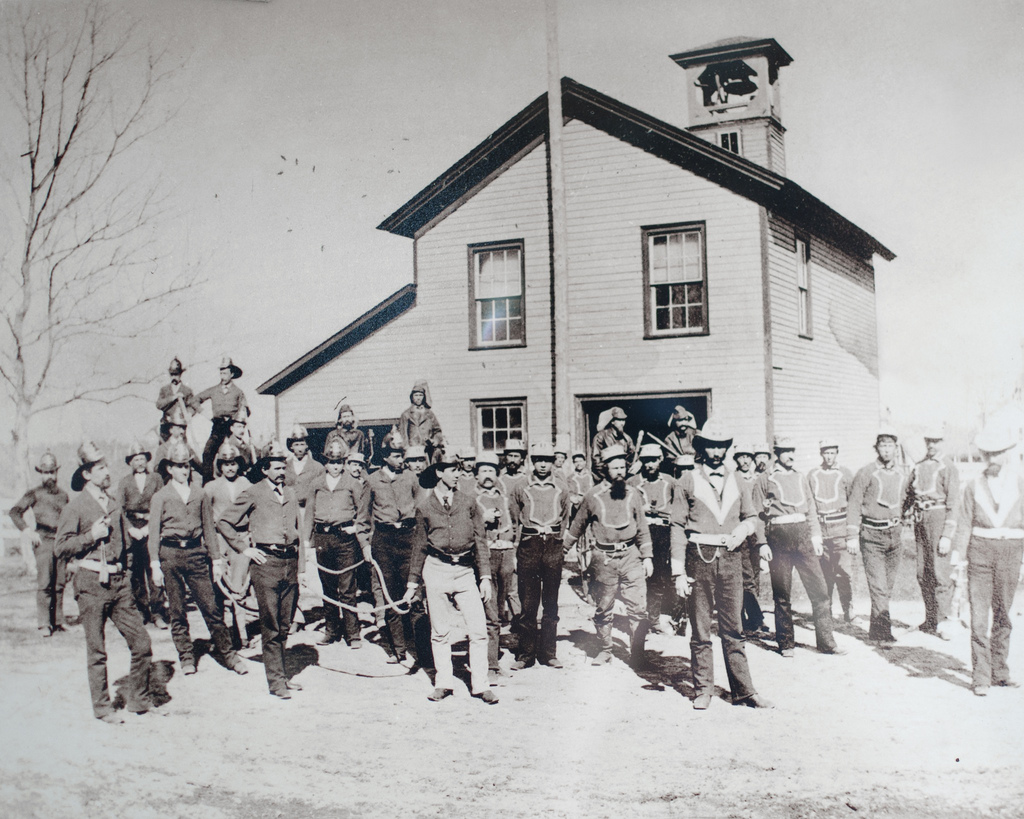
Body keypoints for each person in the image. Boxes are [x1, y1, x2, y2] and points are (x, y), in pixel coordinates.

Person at [669, 420, 773, 710]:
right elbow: (677, 526)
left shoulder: (739, 480)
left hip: (731, 558)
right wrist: (678, 571)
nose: (716, 451)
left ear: (727, 449)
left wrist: (744, 530)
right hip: (698, 558)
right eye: (710, 445)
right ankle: (703, 689)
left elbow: (751, 516)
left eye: (721, 446)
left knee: (734, 627)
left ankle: (744, 691)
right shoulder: (687, 480)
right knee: (701, 628)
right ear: (701, 447)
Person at [55, 443, 154, 723]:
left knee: (142, 642)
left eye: (106, 466)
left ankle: (138, 700)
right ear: (87, 474)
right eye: (100, 468)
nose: (107, 472)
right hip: (90, 585)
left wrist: (127, 570)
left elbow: (126, 543)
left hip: (119, 583)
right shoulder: (75, 507)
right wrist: (90, 535)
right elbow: (60, 548)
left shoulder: (113, 504)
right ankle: (101, 708)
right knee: (97, 650)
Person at [148, 442, 248, 677]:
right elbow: (153, 533)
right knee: (177, 609)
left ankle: (229, 655)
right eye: (178, 466)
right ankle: (186, 656)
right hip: (170, 555)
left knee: (211, 608)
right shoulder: (160, 497)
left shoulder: (199, 493)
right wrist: (154, 564)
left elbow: (208, 529)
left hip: (196, 554)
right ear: (169, 468)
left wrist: (215, 560)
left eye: (186, 466)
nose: (184, 470)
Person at [404, 455, 497, 704]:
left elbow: (480, 541)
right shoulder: (424, 507)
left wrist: (485, 577)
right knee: (440, 632)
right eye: (451, 470)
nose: (457, 474)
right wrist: (413, 583)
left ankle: (481, 685)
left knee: (478, 631)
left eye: (458, 469)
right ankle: (443, 683)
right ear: (438, 473)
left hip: (466, 571)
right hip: (436, 570)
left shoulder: (469, 503)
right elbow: (419, 547)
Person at [218, 440, 305, 699]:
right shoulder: (254, 492)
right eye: (276, 468)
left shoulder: (289, 493)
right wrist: (244, 548)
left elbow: (299, 534)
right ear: (265, 469)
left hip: (290, 563)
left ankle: (283, 677)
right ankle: (276, 682)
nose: (281, 472)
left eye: (283, 467)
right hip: (265, 564)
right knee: (271, 624)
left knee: (286, 623)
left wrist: (301, 568)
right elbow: (224, 521)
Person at [752, 436, 843, 657]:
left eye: (792, 450)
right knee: (782, 593)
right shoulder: (765, 479)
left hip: (803, 536)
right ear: (777, 453)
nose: (790, 455)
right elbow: (756, 515)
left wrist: (816, 537)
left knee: (820, 590)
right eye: (785, 451)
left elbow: (810, 508)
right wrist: (762, 543)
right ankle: (786, 644)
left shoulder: (801, 477)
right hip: (778, 537)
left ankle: (827, 642)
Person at [951, 423, 1024, 696]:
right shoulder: (972, 486)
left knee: (1004, 614)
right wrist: (958, 558)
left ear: (1006, 454)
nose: (991, 459)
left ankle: (1000, 671)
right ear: (982, 456)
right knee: (979, 618)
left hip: (1011, 552)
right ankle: (981, 676)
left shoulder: (1020, 484)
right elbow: (964, 523)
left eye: (997, 454)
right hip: (980, 552)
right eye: (987, 454)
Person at [564, 444, 652, 667]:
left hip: (632, 556)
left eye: (623, 467)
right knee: (604, 606)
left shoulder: (633, 495)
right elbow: (577, 526)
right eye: (615, 468)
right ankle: (605, 649)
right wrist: (563, 550)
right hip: (603, 559)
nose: (620, 472)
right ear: (605, 469)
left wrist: (648, 556)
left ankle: (638, 653)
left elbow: (642, 527)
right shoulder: (593, 496)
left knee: (638, 607)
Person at [846, 427, 913, 646]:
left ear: (896, 448)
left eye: (890, 445)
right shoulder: (866, 472)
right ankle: (884, 634)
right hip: (871, 536)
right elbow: (854, 503)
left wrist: (902, 518)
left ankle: (875, 631)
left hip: (895, 536)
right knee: (879, 587)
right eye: (882, 445)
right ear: (877, 448)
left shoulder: (904, 474)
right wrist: (852, 536)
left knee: (887, 587)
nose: (886, 450)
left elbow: (907, 500)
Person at [301, 443, 371, 648]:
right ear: (326, 462)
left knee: (347, 587)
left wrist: (356, 528)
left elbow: (364, 511)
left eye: (339, 462)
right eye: (332, 462)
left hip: (345, 540)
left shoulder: (352, 483)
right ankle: (331, 630)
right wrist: (307, 542)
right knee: (328, 586)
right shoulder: (316, 483)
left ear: (344, 463)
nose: (335, 466)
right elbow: (309, 514)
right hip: (323, 539)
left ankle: (353, 633)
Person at [508, 442, 570, 670]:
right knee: (528, 603)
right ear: (532, 462)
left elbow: (565, 518)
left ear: (553, 462)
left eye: (547, 460)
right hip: (529, 546)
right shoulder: (520, 486)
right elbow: (514, 519)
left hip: (553, 545)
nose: (543, 464)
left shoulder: (562, 487)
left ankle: (549, 653)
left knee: (551, 603)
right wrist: (517, 550)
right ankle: (526, 654)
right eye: (538, 460)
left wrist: (559, 545)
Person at [366, 432, 425, 667]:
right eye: (395, 455)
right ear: (384, 457)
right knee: (390, 594)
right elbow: (363, 517)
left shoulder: (411, 478)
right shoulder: (371, 481)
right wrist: (365, 545)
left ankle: (422, 650)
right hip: (384, 539)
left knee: (413, 594)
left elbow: (420, 510)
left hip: (408, 537)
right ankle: (397, 649)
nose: (401, 459)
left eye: (402, 455)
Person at [907, 427, 960, 640]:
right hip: (920, 520)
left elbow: (954, 502)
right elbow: (908, 495)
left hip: (939, 519)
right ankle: (930, 618)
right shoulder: (918, 467)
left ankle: (943, 620)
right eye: (929, 440)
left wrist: (947, 534)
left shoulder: (948, 467)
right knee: (922, 572)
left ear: (942, 442)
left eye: (936, 441)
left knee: (940, 572)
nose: (931, 445)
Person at [9, 452, 70, 635]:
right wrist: (27, 531)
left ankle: (58, 621)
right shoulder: (34, 493)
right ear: (41, 473)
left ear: (56, 473)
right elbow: (14, 512)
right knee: (45, 583)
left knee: (59, 583)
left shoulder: (64, 495)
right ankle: (44, 623)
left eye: (52, 472)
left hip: (60, 540)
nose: (49, 476)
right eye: (45, 472)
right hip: (42, 539)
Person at [203, 441, 254, 646]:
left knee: (239, 587)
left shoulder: (247, 484)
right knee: (220, 589)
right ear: (219, 466)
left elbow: (253, 512)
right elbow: (205, 516)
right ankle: (221, 636)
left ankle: (241, 634)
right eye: (225, 464)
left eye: (233, 463)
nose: (230, 467)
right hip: (219, 541)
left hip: (241, 539)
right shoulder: (211, 487)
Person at [473, 450, 518, 681]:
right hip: (486, 556)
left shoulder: (505, 496)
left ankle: (494, 656)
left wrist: (514, 549)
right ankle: (490, 667)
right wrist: (483, 520)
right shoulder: (470, 498)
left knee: (501, 611)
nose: (488, 475)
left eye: (491, 470)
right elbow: (464, 528)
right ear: (476, 474)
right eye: (483, 471)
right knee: (489, 613)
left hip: (506, 555)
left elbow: (516, 523)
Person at [115, 442, 167, 628]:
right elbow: (119, 509)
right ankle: (142, 611)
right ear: (130, 462)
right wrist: (130, 529)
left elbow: (161, 503)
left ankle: (158, 613)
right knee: (136, 573)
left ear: (147, 460)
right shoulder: (124, 482)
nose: (139, 462)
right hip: (133, 529)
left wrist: (150, 527)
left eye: (142, 459)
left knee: (154, 569)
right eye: (135, 459)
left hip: (151, 525)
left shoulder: (156, 478)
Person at [629, 443, 677, 635]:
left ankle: (654, 619)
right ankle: (638, 619)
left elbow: (678, 507)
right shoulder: (632, 483)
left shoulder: (670, 482)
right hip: (641, 532)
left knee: (658, 576)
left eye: (654, 460)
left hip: (663, 533)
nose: (650, 465)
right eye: (646, 460)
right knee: (638, 576)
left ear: (660, 461)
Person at [807, 438, 855, 623]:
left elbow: (853, 503)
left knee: (843, 571)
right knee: (823, 573)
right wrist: (814, 533)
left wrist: (851, 533)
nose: (829, 456)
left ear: (837, 453)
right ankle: (826, 610)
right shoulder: (813, 474)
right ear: (821, 454)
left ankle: (848, 608)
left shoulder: (845, 474)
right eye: (826, 452)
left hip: (840, 528)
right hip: (821, 528)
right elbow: (810, 503)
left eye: (832, 452)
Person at [732, 442, 766, 636]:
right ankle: (753, 618)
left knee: (754, 575)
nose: (744, 460)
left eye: (747, 457)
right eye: (740, 457)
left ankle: (750, 617)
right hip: (740, 531)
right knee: (745, 577)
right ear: (736, 459)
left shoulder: (757, 478)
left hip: (755, 532)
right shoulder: (732, 478)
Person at [197, 357, 249, 485]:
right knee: (208, 451)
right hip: (218, 426)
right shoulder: (214, 390)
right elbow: (194, 400)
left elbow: (245, 409)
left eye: (225, 373)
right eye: (221, 372)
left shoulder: (238, 392)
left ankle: (240, 480)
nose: (223, 375)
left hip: (233, 426)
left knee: (238, 453)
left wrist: (238, 418)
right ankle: (208, 484)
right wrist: (205, 413)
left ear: (231, 374)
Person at [398, 381, 444, 463]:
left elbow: (437, 431)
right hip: (413, 451)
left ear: (424, 397)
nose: (418, 398)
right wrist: (407, 450)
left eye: (420, 395)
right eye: (416, 395)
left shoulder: (429, 414)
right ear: (412, 397)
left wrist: (435, 440)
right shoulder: (406, 414)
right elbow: (403, 435)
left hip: (428, 450)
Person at [591, 407, 635, 482]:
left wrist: (624, 473)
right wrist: (608, 476)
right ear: (612, 422)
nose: (622, 423)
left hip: (622, 478)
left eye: (623, 420)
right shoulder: (601, 436)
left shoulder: (627, 438)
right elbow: (596, 460)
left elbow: (631, 457)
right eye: (619, 420)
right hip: (604, 479)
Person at [285, 423, 325, 499]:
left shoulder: (318, 467)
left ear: (307, 446)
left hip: (309, 507)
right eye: (296, 445)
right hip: (290, 507)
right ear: (291, 447)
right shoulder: (285, 466)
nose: (300, 449)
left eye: (302, 444)